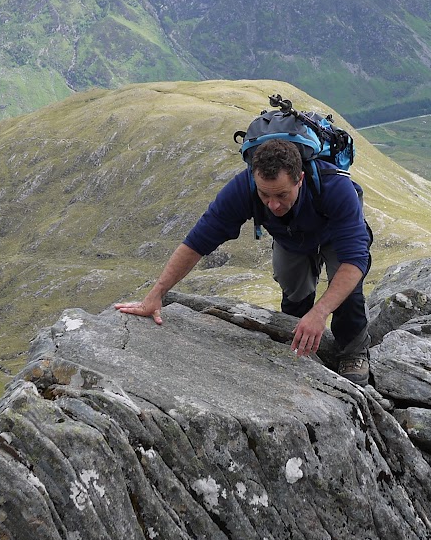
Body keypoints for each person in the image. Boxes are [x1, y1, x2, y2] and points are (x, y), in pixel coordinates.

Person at [114, 138, 372, 378]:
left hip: (334, 235)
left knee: (346, 288)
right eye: (264, 195)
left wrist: (320, 312)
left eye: (281, 195)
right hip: (291, 238)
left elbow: (354, 261)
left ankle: (353, 352)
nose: (273, 205)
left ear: (300, 179)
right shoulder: (242, 188)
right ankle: (296, 335)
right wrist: (157, 293)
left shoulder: (335, 187)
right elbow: (196, 242)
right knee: (293, 283)